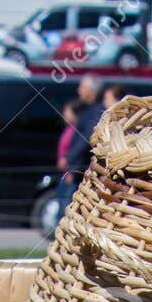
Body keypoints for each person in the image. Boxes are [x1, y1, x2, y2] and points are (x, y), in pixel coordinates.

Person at [55, 76, 104, 225]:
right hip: (74, 168)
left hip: (79, 171)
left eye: (82, 87)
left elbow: (86, 139)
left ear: (92, 90)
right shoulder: (86, 110)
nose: (79, 90)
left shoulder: (96, 112)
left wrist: (69, 159)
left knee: (69, 212)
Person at [54, 98, 80, 226]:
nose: (64, 114)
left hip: (68, 173)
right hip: (64, 172)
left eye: (67, 111)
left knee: (65, 205)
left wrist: (70, 170)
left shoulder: (74, 131)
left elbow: (73, 151)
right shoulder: (68, 129)